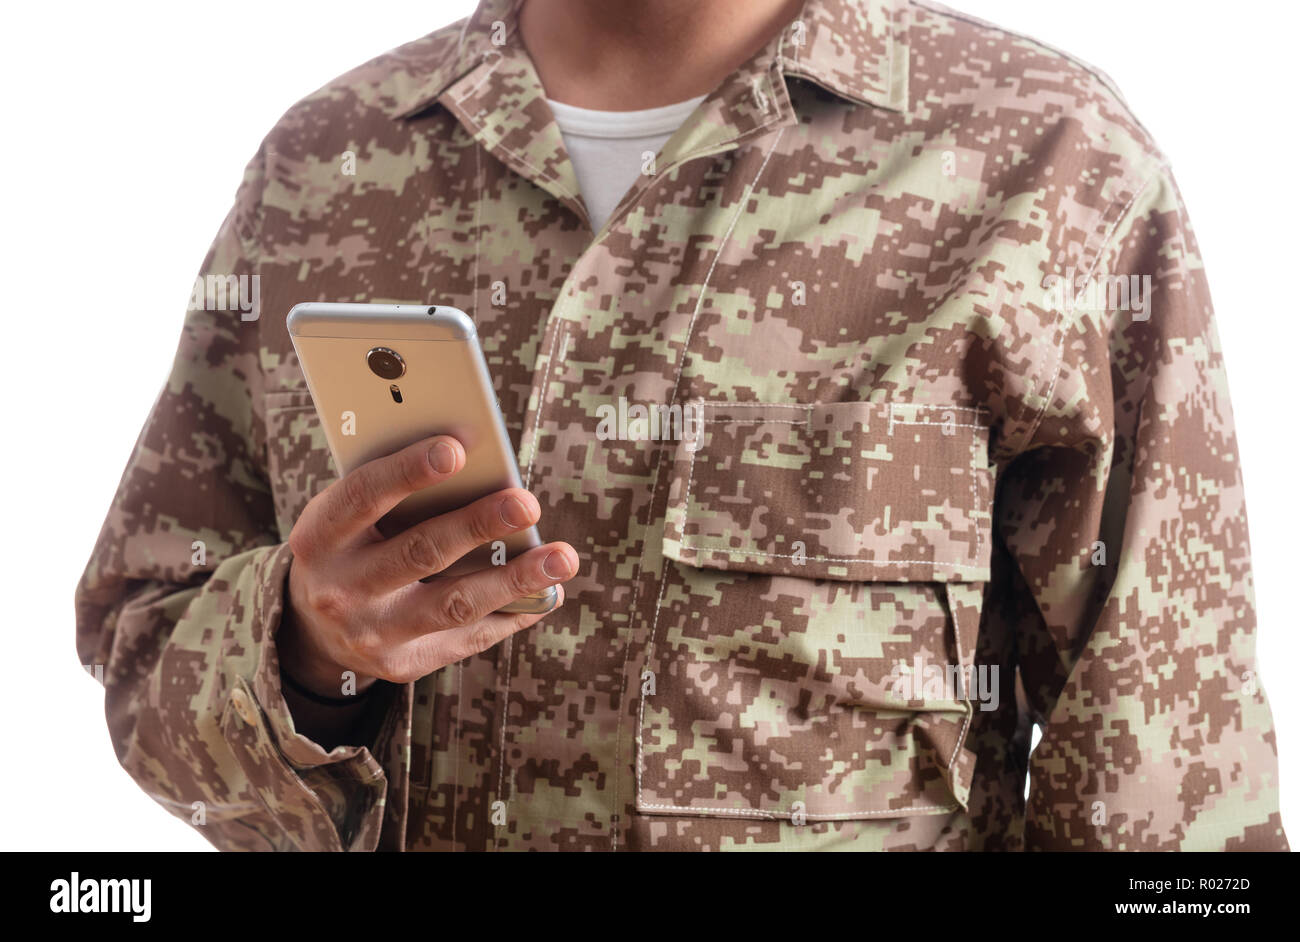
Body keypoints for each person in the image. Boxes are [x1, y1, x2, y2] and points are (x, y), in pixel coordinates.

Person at [76, 0, 1288, 851]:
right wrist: (305, 648)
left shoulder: (1047, 162)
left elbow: (1160, 766)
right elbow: (144, 646)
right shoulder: (325, 166)